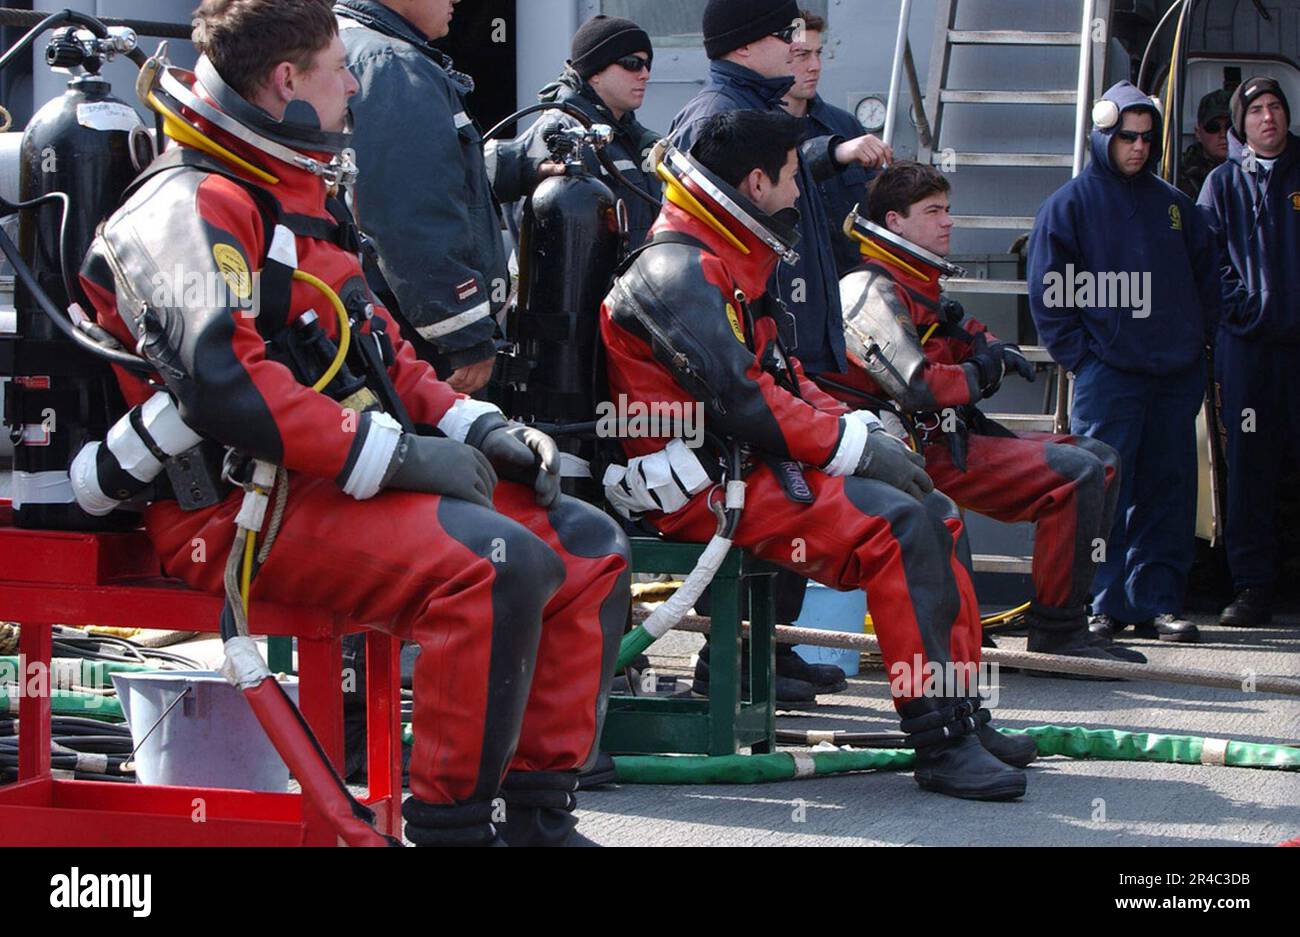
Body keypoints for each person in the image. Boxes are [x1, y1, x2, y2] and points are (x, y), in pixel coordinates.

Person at [79, 0, 629, 847]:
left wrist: (479, 429)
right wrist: (400, 456)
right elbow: (226, 386)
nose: (353, 89)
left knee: (586, 546)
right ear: (287, 81)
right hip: (234, 516)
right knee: (493, 564)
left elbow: (382, 355)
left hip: (326, 485)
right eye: (341, 71)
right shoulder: (190, 206)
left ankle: (539, 819)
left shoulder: (289, 199)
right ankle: (451, 830)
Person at [601, 109, 1037, 801]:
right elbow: (745, 400)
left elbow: (782, 375)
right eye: (791, 178)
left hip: (752, 470)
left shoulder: (720, 258)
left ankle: (961, 710)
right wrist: (849, 446)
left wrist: (861, 425)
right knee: (899, 527)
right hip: (706, 494)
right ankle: (938, 742)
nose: (801, 193)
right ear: (754, 181)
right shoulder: (675, 271)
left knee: (938, 513)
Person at [832, 162, 1142, 665]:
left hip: (943, 443)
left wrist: (987, 350)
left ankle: (1061, 623)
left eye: (948, 210)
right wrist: (981, 373)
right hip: (904, 455)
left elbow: (963, 333)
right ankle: (1057, 635)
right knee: (1079, 473)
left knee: (1099, 459)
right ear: (894, 222)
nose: (949, 221)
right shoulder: (869, 289)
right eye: (933, 211)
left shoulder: (918, 283)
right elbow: (917, 386)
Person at [1028, 81, 1220, 644]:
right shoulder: (1069, 206)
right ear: (1103, 137)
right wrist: (1083, 361)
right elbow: (1049, 292)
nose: (1137, 147)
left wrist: (1193, 346)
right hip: (1108, 375)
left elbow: (1208, 279)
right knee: (1104, 490)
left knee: (1168, 487)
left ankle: (1157, 602)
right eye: (1126, 137)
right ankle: (1101, 603)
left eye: (1146, 137)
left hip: (1171, 375)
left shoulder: (1173, 205)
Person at [334, 0, 506, 394]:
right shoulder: (390, 62)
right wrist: (464, 332)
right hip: (416, 340)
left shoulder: (355, 49)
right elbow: (409, 215)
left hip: (377, 317)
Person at [1197, 77, 1298, 627]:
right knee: (1252, 470)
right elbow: (1205, 259)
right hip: (1249, 352)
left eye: (1276, 107)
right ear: (1243, 123)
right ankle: (1252, 585)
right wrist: (1242, 310)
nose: (1268, 117)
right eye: (1256, 109)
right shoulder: (1221, 183)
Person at [486, 14, 663, 249]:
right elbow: (536, 232)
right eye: (632, 63)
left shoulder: (632, 138)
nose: (645, 74)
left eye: (647, 64)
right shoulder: (559, 133)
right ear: (595, 73)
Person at [781, 9, 880, 276]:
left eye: (818, 54)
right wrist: (835, 153)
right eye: (802, 55)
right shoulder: (758, 130)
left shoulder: (846, 126)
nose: (815, 66)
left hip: (854, 286)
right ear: (777, 56)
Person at [1178, 89, 1231, 200]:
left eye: (1230, 127)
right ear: (1198, 132)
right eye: (1213, 127)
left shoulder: (1251, 166)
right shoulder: (1182, 174)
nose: (1223, 134)